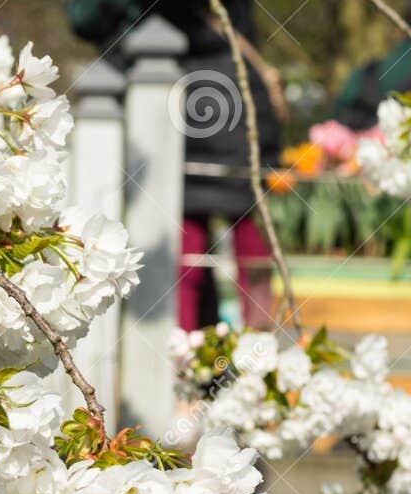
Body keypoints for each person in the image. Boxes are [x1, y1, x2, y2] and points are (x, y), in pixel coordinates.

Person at [68, 0, 281, 331]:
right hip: (229, 91)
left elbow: (85, 18)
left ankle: (186, 348)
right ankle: (247, 345)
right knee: (228, 224)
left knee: (194, 227)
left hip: (191, 98)